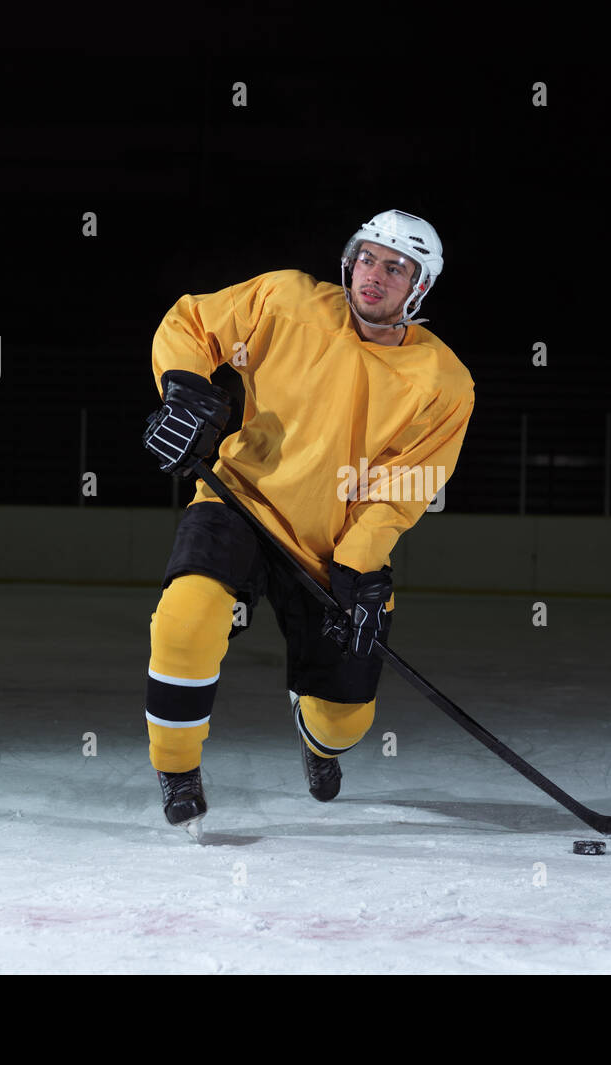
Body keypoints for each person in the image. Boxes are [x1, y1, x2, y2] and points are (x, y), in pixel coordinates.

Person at [139, 210, 475, 837]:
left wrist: (358, 563)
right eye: (368, 258)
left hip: (333, 547)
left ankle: (317, 738)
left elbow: (409, 485)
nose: (374, 276)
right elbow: (192, 322)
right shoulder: (286, 299)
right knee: (186, 619)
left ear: (419, 287)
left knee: (345, 721)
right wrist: (183, 388)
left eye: (396, 268)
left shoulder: (444, 382)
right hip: (242, 499)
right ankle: (179, 776)